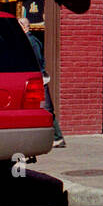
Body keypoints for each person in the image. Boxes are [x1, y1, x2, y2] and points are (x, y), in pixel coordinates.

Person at [18, 16, 65, 148]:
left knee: (45, 109)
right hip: (35, 80)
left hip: (37, 81)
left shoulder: (31, 41)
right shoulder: (29, 40)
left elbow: (37, 61)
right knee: (36, 109)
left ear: (23, 26)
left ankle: (57, 137)